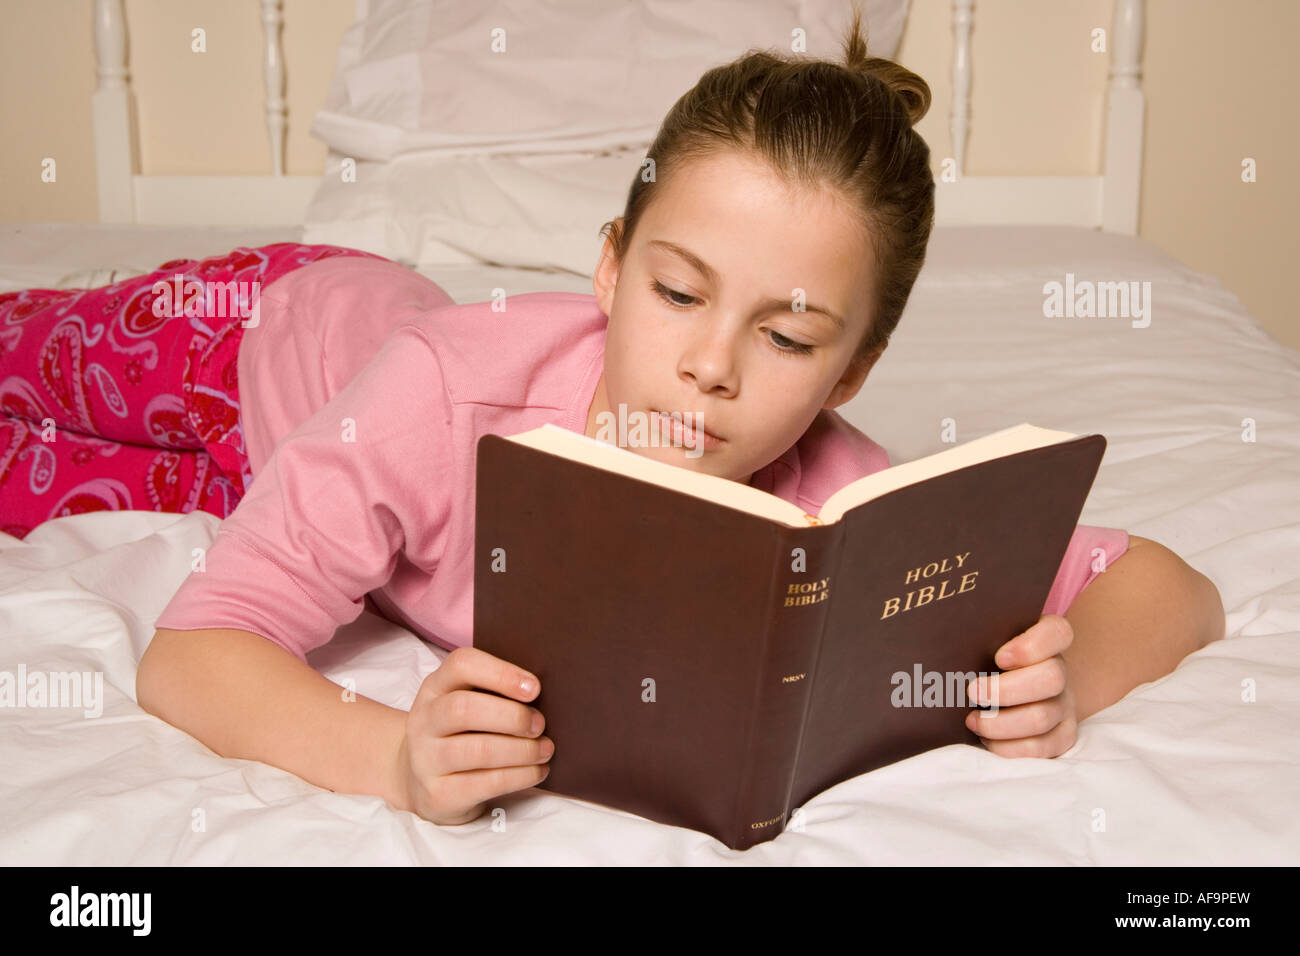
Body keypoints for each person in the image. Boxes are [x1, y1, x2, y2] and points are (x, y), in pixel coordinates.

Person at [1, 8, 1223, 831]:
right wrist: (387, 757)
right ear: (607, 268)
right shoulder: (445, 399)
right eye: (676, 291)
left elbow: (1169, 585)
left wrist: (1070, 683)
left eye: (788, 338)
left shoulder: (842, 508)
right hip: (263, 337)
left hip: (259, 480)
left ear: (853, 371)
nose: (708, 366)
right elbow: (191, 648)